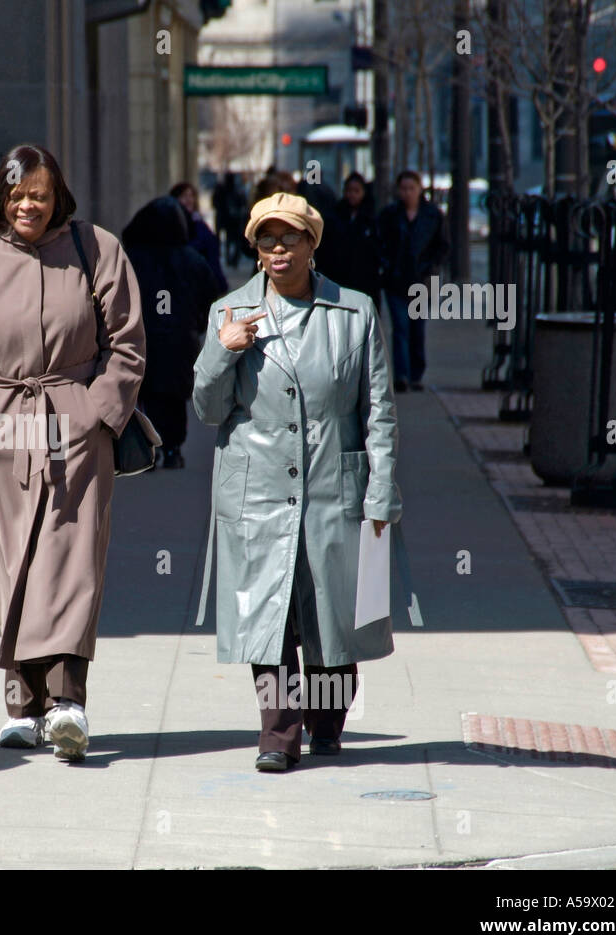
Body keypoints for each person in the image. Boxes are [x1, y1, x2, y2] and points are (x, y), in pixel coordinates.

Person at [0, 144, 145, 763]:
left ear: (58, 198)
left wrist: (99, 411)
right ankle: (23, 706)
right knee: (11, 564)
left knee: (71, 562)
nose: (29, 206)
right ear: (1, 195)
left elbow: (126, 342)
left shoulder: (97, 249)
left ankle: (67, 703)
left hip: (72, 426)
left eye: (40, 196)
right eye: (18, 195)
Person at [191, 192, 402, 772]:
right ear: (254, 250)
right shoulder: (229, 313)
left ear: (313, 243)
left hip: (336, 484)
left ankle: (327, 723)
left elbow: (378, 411)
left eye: (290, 238)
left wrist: (382, 491)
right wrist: (220, 351)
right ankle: (277, 737)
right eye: (266, 239)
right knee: (270, 619)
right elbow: (208, 410)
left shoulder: (354, 312)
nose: (278, 249)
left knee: (334, 620)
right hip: (257, 489)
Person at [122, 196, 219, 469]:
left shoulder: (135, 258)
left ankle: (148, 449)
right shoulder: (191, 259)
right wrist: (198, 322)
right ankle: (173, 447)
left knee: (147, 393)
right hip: (179, 338)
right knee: (174, 397)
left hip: (143, 336)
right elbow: (210, 294)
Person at [377, 170, 450, 392]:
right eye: (404, 188)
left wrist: (432, 266)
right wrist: (386, 266)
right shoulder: (390, 215)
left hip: (422, 282)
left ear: (419, 189)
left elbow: (443, 245)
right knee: (400, 328)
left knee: (417, 329)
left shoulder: (432, 215)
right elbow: (380, 242)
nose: (407, 193)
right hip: (396, 280)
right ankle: (402, 375)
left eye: (411, 188)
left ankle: (416, 374)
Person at [320, 171, 382, 303]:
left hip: (365, 282)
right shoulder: (334, 216)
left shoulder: (372, 218)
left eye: (356, 191)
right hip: (339, 280)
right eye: (349, 190)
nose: (352, 195)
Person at [170, 182, 229, 296]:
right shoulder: (172, 226)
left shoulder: (199, 223)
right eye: (184, 196)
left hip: (203, 283)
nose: (189, 200)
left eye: (191, 196)